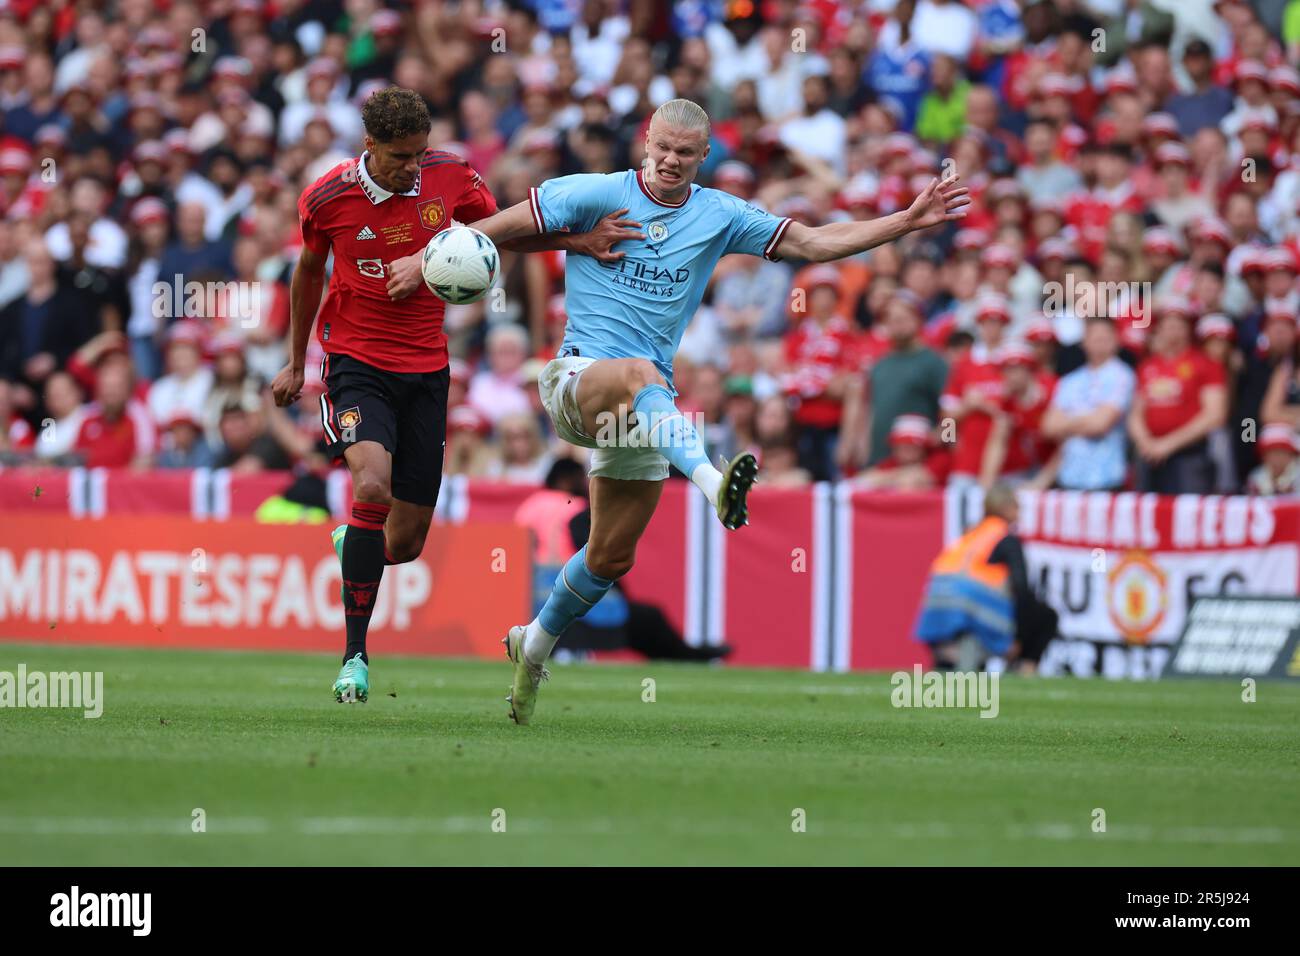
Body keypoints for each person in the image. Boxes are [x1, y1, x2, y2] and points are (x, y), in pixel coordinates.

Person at [466, 98, 969, 723]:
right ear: (645, 142)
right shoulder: (593, 192)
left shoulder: (720, 214)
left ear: (705, 156)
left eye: (685, 152)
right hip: (576, 380)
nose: (671, 161)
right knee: (642, 373)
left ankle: (532, 645)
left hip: (644, 409)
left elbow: (811, 243)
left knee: (608, 557)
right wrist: (572, 239)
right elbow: (490, 229)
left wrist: (904, 222)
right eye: (662, 148)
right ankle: (711, 483)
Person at [269, 87, 636, 703]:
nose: (413, 168)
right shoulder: (326, 198)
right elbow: (308, 272)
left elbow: (499, 234)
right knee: (371, 488)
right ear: (370, 147)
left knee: (404, 544)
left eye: (419, 154)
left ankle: (355, 543)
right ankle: (355, 657)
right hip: (355, 362)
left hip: (427, 370)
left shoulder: (452, 176)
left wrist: (575, 242)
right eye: (399, 157)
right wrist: (293, 360)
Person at [915, 483, 1056, 674]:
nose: (1019, 512)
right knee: (1045, 616)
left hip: (934, 609)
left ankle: (949, 662)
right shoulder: (1007, 539)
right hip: (969, 613)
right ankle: (1024, 670)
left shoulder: (971, 534)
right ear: (1006, 508)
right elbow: (1022, 588)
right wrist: (1017, 639)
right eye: (1017, 506)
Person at [1040, 316, 1135, 491]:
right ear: (1084, 341)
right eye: (1095, 337)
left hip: (1107, 477)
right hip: (1069, 475)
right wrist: (1089, 419)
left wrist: (1068, 421)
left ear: (1116, 340)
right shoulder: (1070, 380)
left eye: (1105, 337)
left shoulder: (1123, 376)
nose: (1100, 342)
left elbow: (1100, 425)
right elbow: (1049, 426)